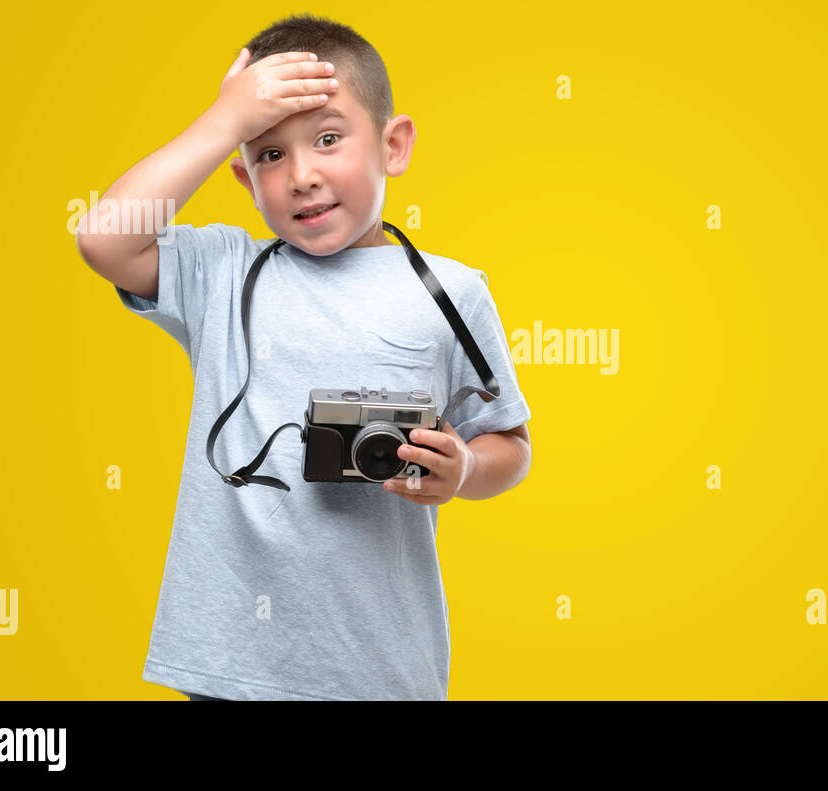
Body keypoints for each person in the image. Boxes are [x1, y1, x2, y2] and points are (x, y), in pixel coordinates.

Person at [73, 14, 532, 700]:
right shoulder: (224, 271)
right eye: (269, 154)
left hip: (378, 666)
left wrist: (464, 467)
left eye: (326, 139)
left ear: (393, 146)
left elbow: (511, 442)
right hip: (232, 663)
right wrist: (224, 118)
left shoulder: (452, 292)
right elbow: (104, 240)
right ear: (243, 175)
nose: (302, 176)